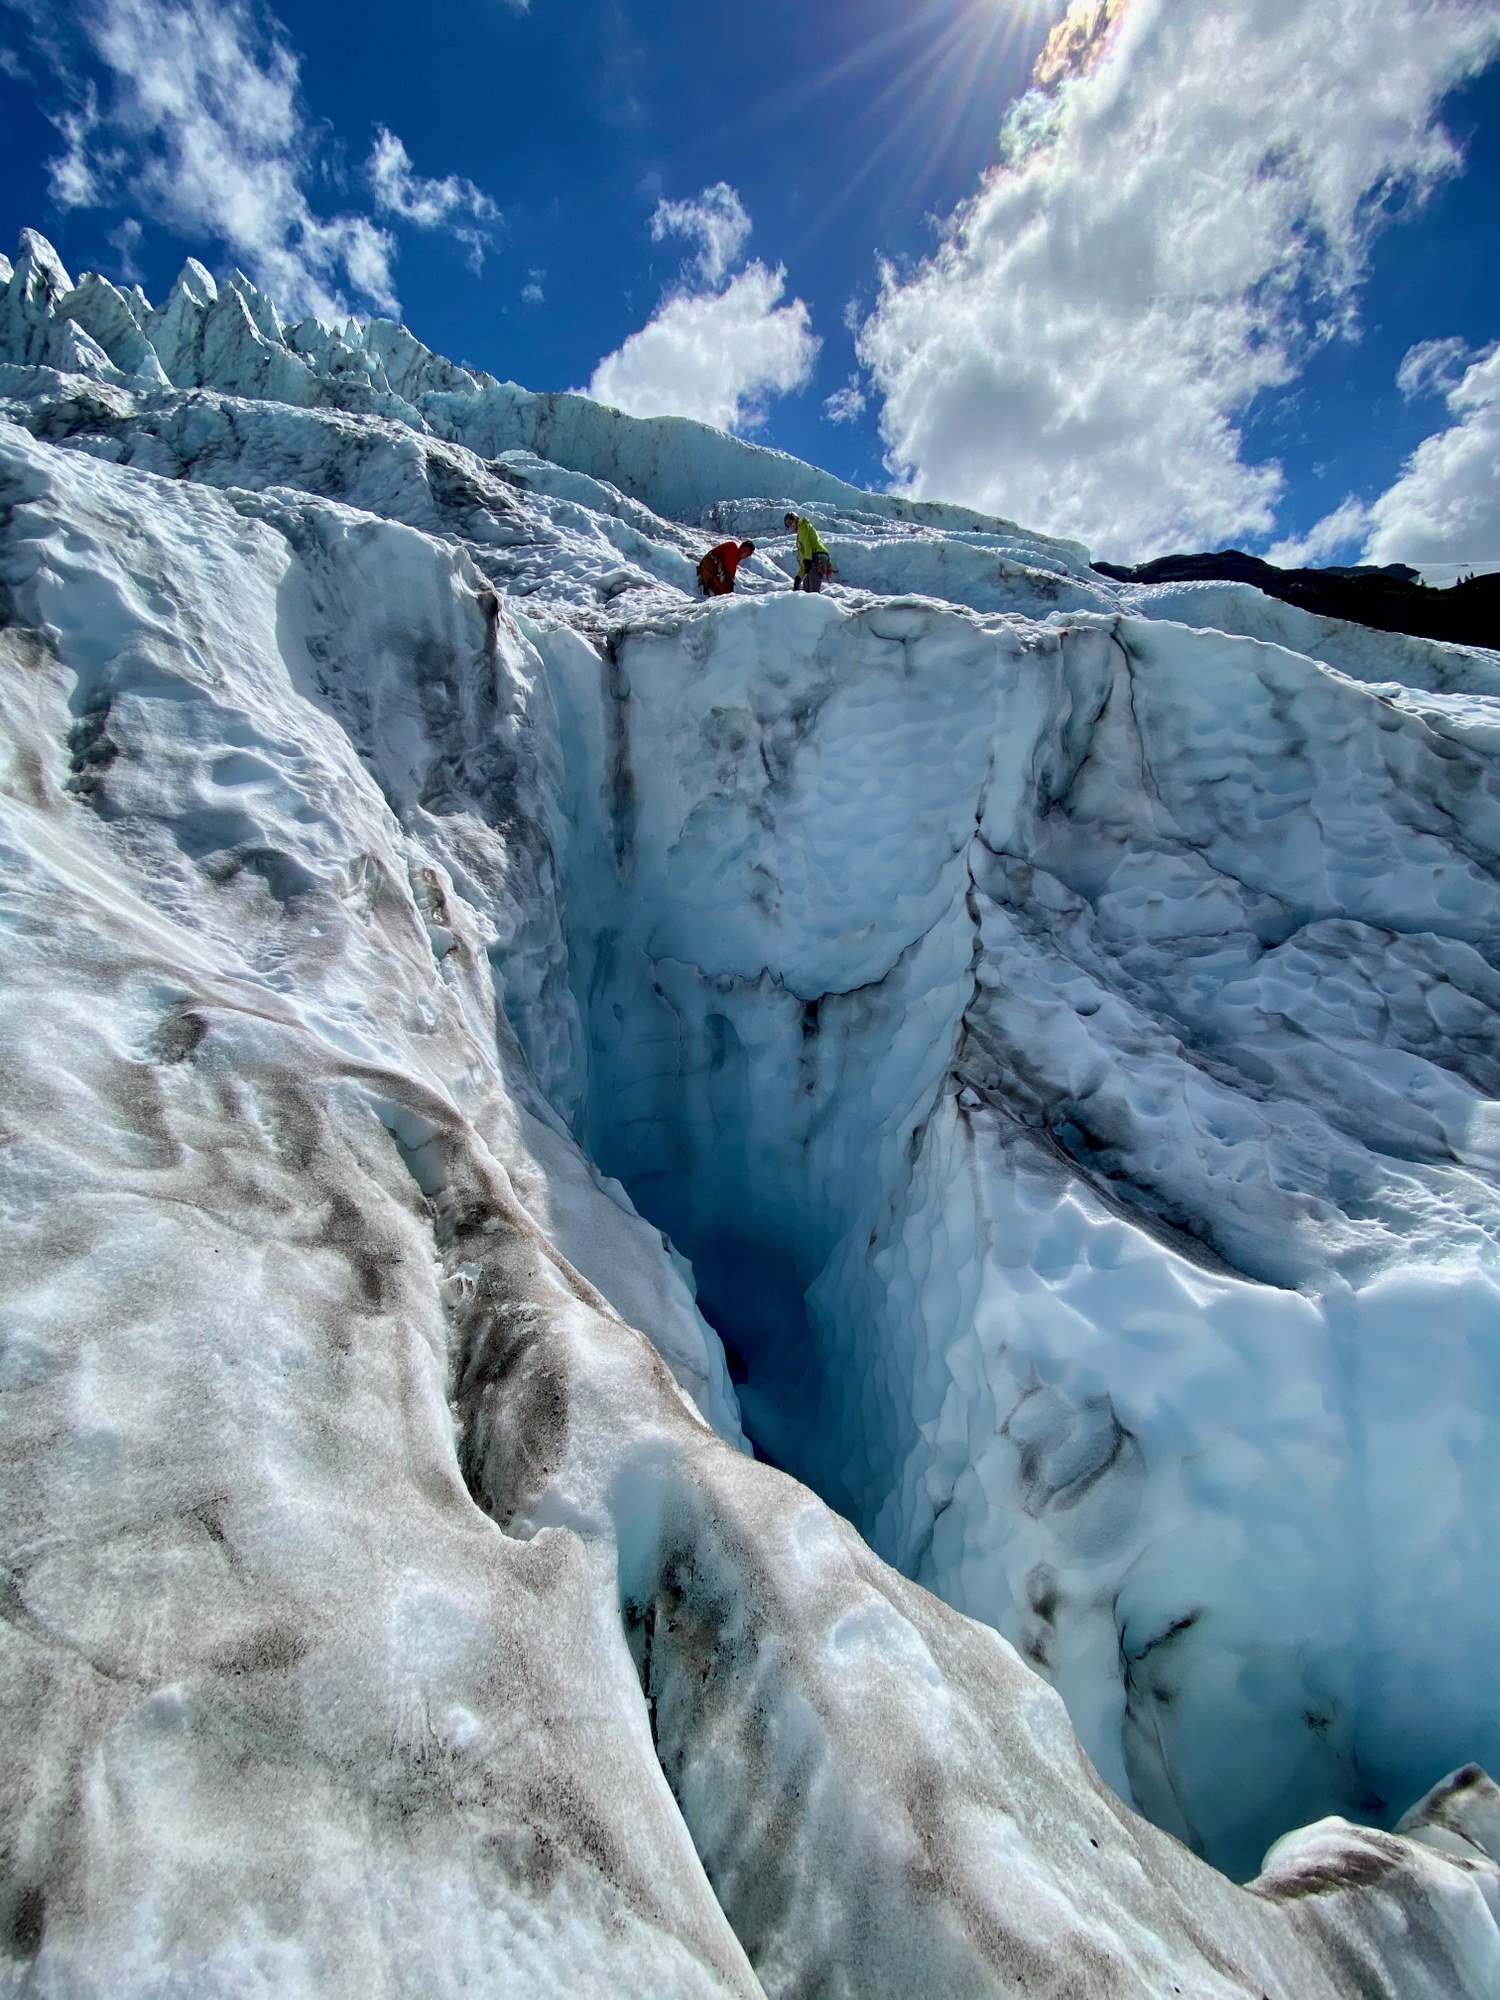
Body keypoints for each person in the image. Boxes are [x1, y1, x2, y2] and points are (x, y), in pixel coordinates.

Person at [785, 512, 833, 592]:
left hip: (816, 556)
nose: (790, 526)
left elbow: (807, 546)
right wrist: (799, 576)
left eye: (791, 522)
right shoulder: (801, 531)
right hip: (815, 556)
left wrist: (807, 560)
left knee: (812, 591)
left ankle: (814, 601)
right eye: (788, 525)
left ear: (796, 519)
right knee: (806, 587)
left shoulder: (802, 526)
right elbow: (805, 557)